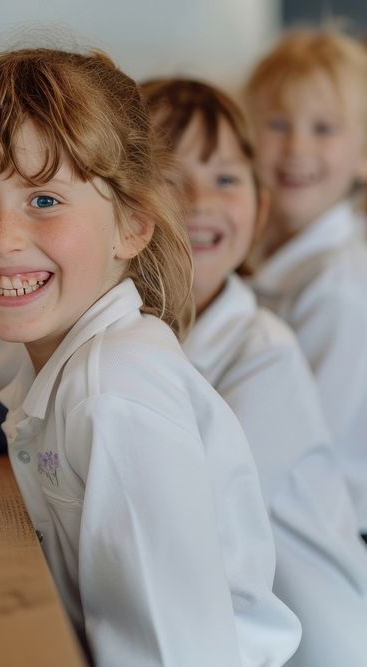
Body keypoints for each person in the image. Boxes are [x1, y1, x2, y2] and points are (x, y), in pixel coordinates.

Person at [0, 48, 300, 665]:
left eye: (45, 200)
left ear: (131, 226)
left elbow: (174, 653)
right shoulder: (67, 360)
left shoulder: (116, 392)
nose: (4, 238)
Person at [143, 77, 367, 667]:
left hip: (319, 647)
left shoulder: (267, 355)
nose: (199, 201)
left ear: (259, 208)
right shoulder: (133, 324)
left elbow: (188, 522)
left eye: (225, 179)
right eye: (170, 178)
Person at [244, 29, 367, 535]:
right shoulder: (266, 256)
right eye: (277, 124)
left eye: (323, 128)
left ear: (363, 156)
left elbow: (300, 441)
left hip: (329, 531)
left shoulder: (338, 284)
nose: (297, 146)